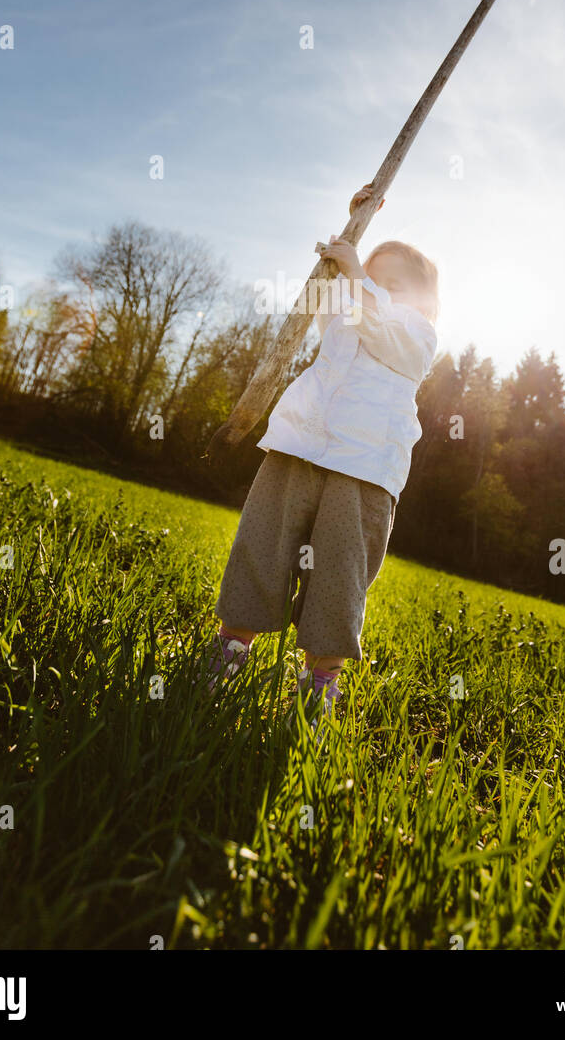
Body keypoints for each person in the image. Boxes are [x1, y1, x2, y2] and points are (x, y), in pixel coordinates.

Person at [201, 183, 439, 729]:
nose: (375, 285)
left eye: (391, 282)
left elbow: (381, 323)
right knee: (262, 544)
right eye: (371, 275)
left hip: (364, 466)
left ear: (423, 298)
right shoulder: (352, 302)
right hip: (301, 445)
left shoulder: (419, 335)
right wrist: (354, 221)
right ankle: (230, 652)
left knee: (339, 573)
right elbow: (329, 290)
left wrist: (360, 276)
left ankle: (319, 685)